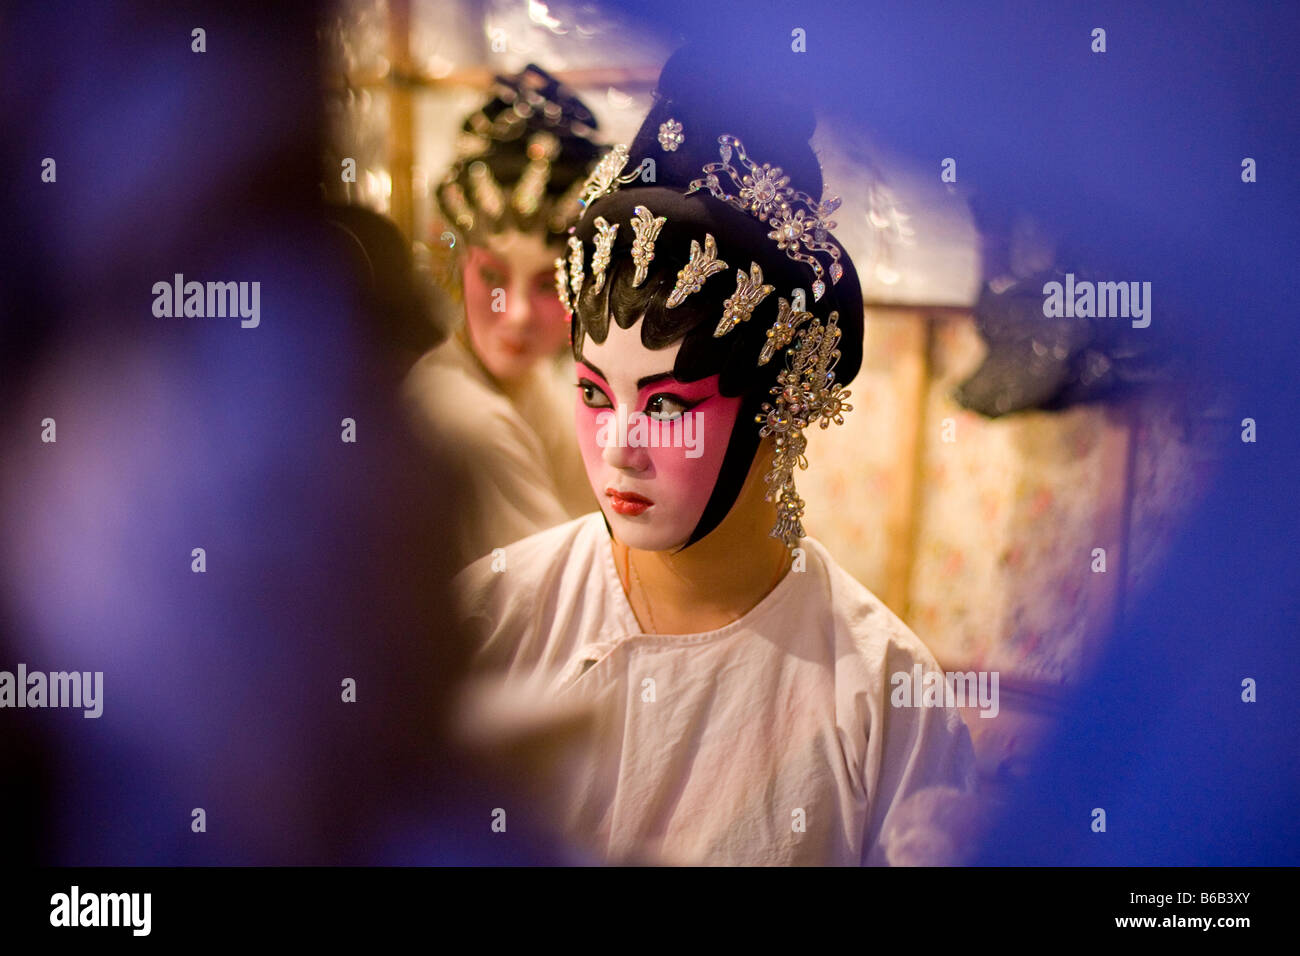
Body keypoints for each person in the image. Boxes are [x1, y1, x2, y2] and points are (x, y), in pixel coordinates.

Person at [452, 42, 977, 866]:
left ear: (782, 400)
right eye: (595, 394)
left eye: (666, 405)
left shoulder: (881, 694)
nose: (619, 447)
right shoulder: (494, 617)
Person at [405, 65, 605, 570]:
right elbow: (566, 601)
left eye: (546, 284)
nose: (514, 315)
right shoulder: (465, 416)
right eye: (493, 276)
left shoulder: (533, 385)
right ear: (457, 267)